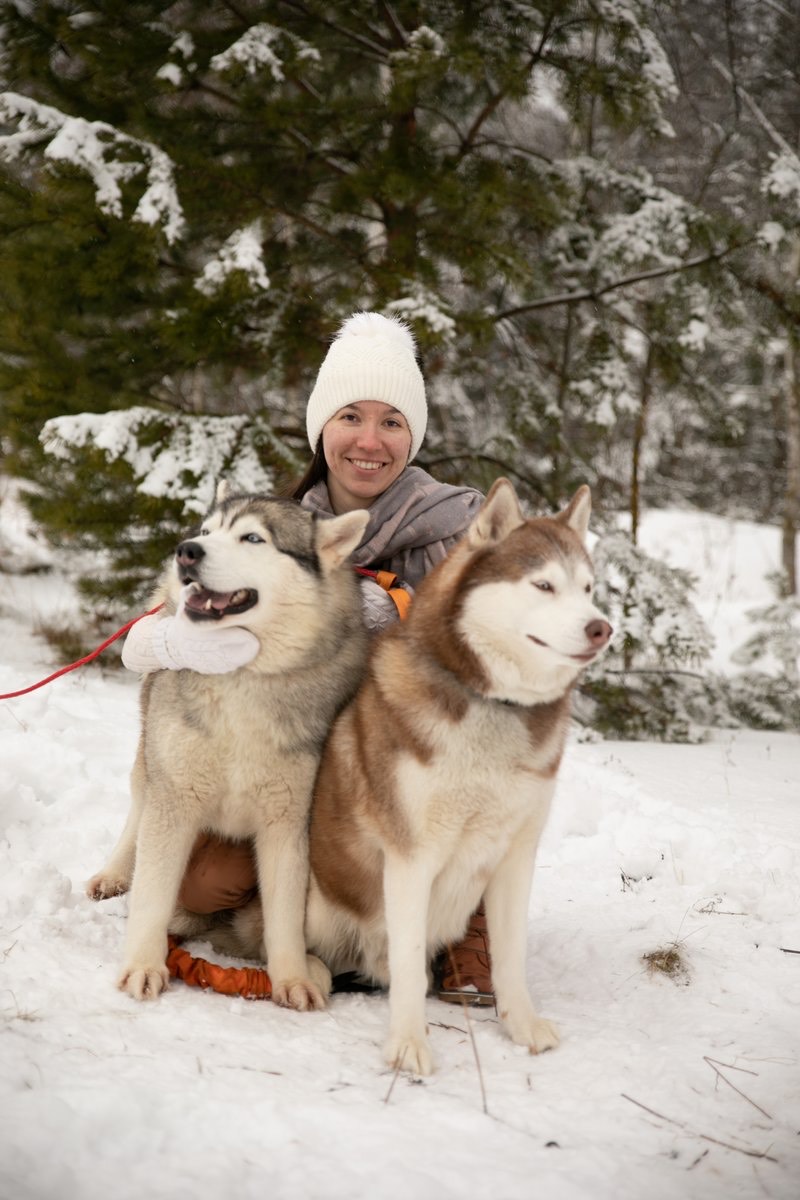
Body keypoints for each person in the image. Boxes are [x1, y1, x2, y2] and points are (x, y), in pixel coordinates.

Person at [122, 311, 494, 1004]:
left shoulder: (455, 529)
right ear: (322, 427)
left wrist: (393, 622)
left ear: (412, 437)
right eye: (351, 415)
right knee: (204, 887)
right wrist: (166, 638)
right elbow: (189, 588)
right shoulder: (283, 521)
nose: (369, 440)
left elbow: (487, 659)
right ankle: (306, 921)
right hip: (291, 749)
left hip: (403, 762)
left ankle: (465, 933)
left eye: (392, 422)